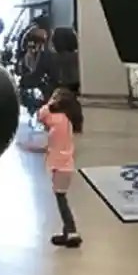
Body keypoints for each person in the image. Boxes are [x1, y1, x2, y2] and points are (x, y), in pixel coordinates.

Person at [39, 87, 84, 248]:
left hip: (60, 165)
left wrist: (50, 103)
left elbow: (42, 115)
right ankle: (67, 233)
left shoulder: (56, 119)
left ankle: (72, 231)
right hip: (66, 165)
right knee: (61, 196)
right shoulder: (68, 120)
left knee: (61, 198)